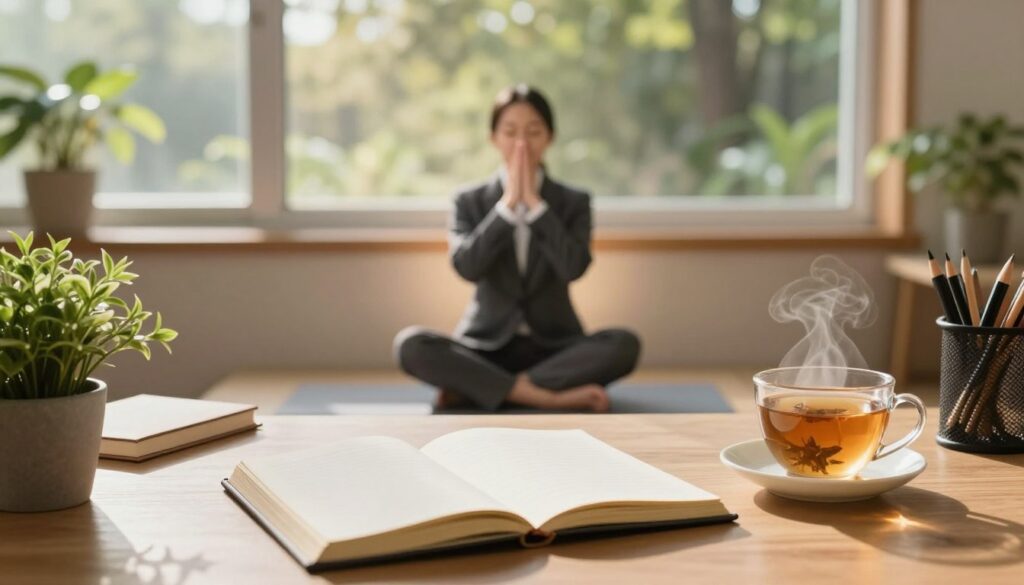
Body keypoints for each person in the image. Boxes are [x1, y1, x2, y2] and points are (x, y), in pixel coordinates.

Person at [393, 84, 640, 412]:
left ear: (550, 137)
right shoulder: (469, 201)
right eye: (510, 131)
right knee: (411, 345)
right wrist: (507, 208)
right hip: (485, 348)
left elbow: (573, 267)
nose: (521, 143)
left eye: (533, 131)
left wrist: (537, 209)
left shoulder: (573, 202)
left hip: (556, 348)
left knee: (624, 344)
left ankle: (483, 389)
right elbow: (467, 267)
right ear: (493, 138)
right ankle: (542, 396)